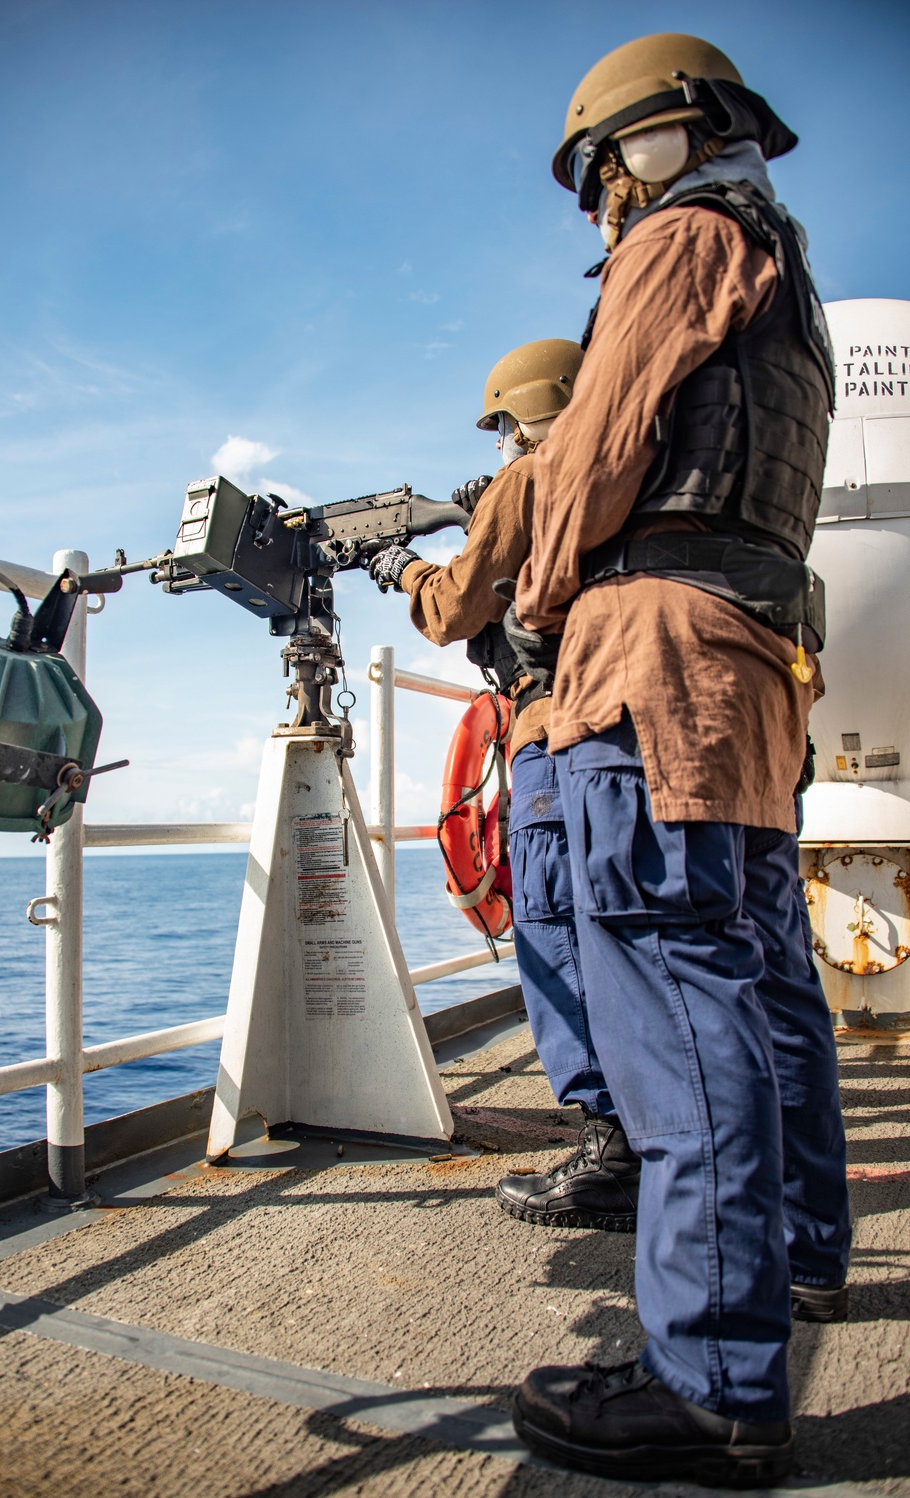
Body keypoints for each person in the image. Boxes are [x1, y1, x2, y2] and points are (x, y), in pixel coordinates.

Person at [508, 33, 851, 1487]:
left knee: (674, 998)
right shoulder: (787, 267)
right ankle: (804, 1257)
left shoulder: (681, 235)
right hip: (752, 664)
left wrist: (539, 602)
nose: (602, 201)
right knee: (765, 980)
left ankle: (712, 1378)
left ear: (656, 138)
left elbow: (596, 446)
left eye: (602, 169)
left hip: (653, 657)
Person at [368, 339, 639, 1232]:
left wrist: (400, 569)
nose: (498, 446)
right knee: (636, 929)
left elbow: (454, 608)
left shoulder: (534, 476)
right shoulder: (633, 465)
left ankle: (611, 1148)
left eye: (503, 428)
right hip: (632, 725)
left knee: (556, 925)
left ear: (528, 416)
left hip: (554, 727)